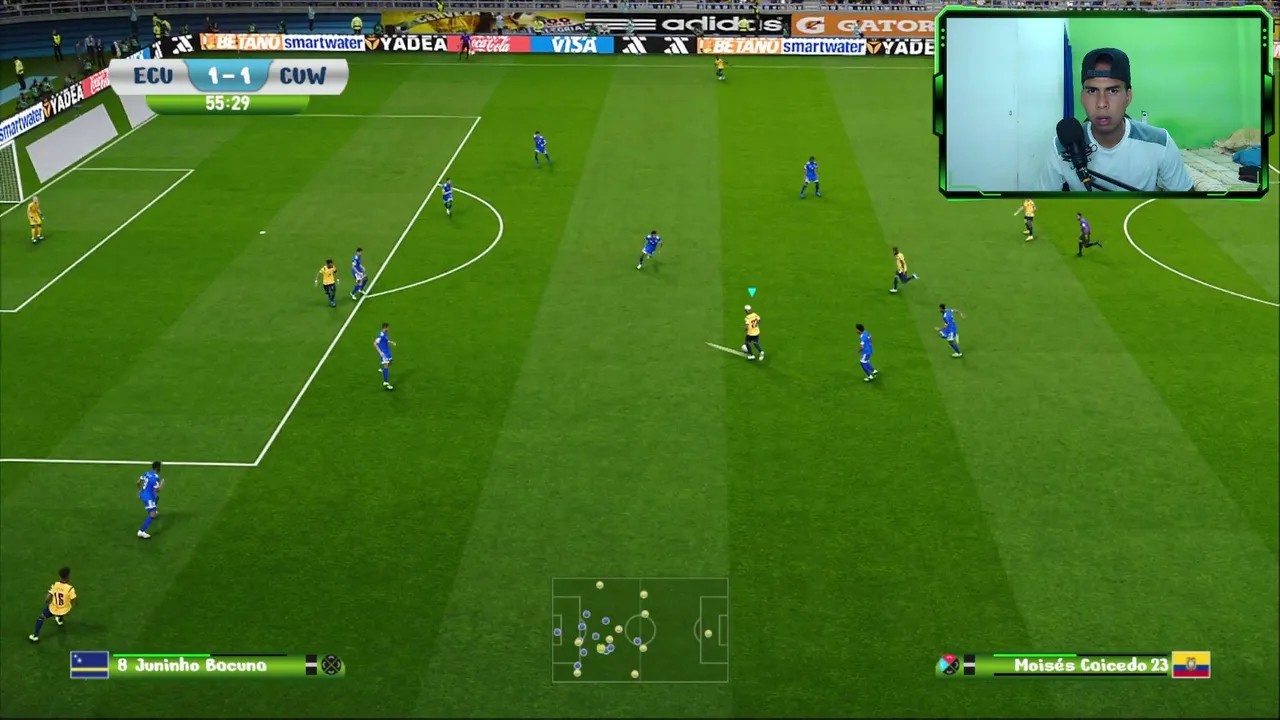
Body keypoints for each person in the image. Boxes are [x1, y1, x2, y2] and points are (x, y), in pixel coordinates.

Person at [1037, 48, 1193, 192]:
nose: (1101, 103)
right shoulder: (1062, 147)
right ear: (1082, 98)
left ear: (1128, 97)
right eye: (1092, 91)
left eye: (1112, 91)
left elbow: (1189, 203)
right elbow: (1037, 206)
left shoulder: (1159, 142)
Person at [29, 567, 76, 642]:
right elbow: (73, 600)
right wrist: (71, 607)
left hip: (53, 609)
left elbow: (47, 598)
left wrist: (47, 602)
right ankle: (60, 619)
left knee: (41, 618)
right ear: (68, 576)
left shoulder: (55, 585)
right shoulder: (70, 588)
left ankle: (35, 636)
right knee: (63, 609)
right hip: (65, 610)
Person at [137, 461, 164, 539]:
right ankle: (141, 531)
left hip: (143, 494)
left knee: (156, 497)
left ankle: (152, 510)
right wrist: (162, 484)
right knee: (153, 515)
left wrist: (139, 490)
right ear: (158, 468)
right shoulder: (155, 477)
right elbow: (157, 490)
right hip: (148, 497)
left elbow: (138, 482)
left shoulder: (147, 473)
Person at [375, 323, 395, 391]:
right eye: (388, 327)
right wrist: (380, 352)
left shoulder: (385, 334)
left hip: (387, 352)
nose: (389, 329)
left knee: (390, 362)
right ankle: (386, 382)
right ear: (385, 328)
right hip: (384, 353)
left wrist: (391, 342)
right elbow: (375, 344)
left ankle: (382, 369)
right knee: (386, 365)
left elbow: (385, 340)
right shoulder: (381, 335)